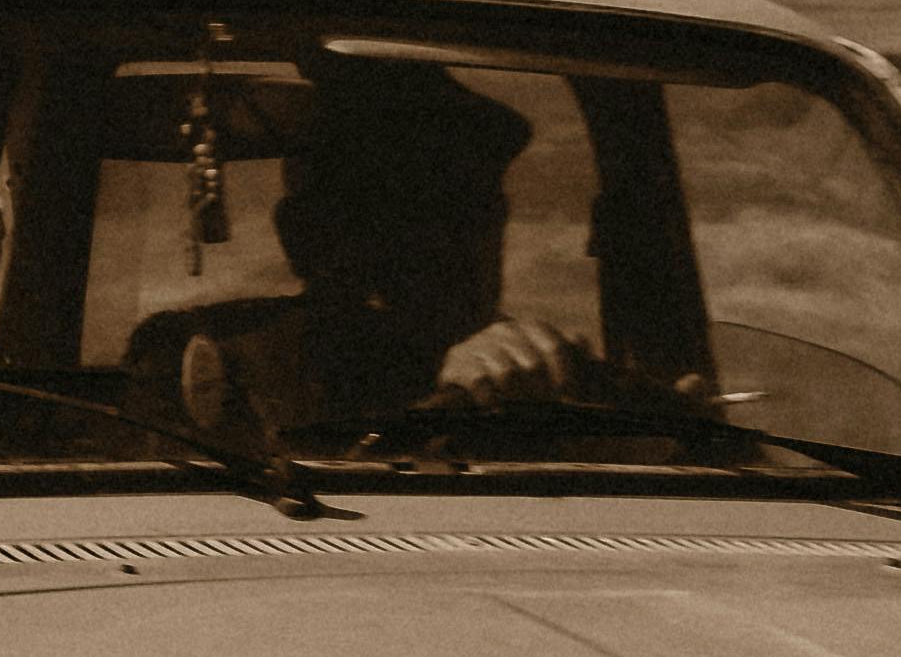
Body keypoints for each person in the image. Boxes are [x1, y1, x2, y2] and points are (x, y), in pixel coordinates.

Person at [131, 61, 583, 450]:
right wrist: (437, 410)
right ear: (303, 233)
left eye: (472, 212)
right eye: (394, 209)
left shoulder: (535, 372)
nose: (446, 244)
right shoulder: (217, 362)